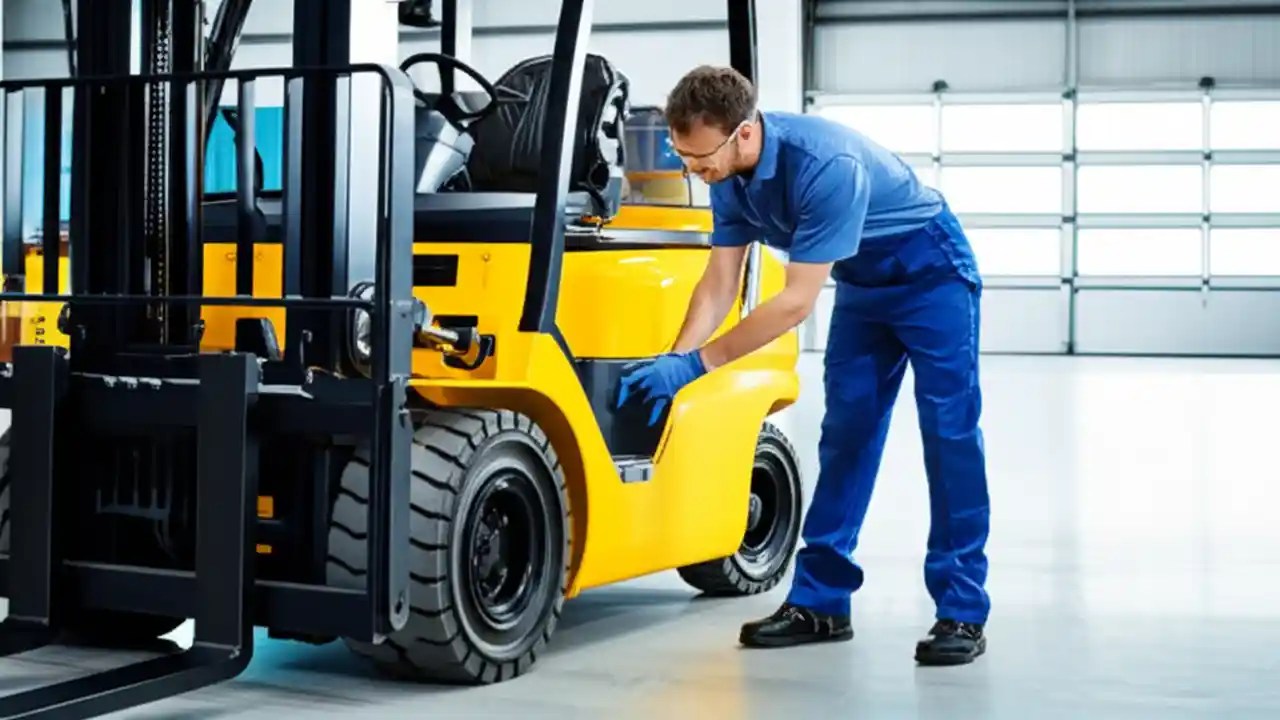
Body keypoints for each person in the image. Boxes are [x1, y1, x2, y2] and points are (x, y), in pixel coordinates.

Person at [615, 65, 991, 666]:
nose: (694, 170)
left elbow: (793, 303)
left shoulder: (825, 165)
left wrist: (697, 369)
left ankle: (962, 611)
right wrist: (677, 358)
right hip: (864, 284)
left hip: (931, 274)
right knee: (846, 435)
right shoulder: (727, 174)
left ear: (743, 133)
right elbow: (719, 282)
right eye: (685, 158)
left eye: (699, 157)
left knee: (949, 435)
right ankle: (821, 602)